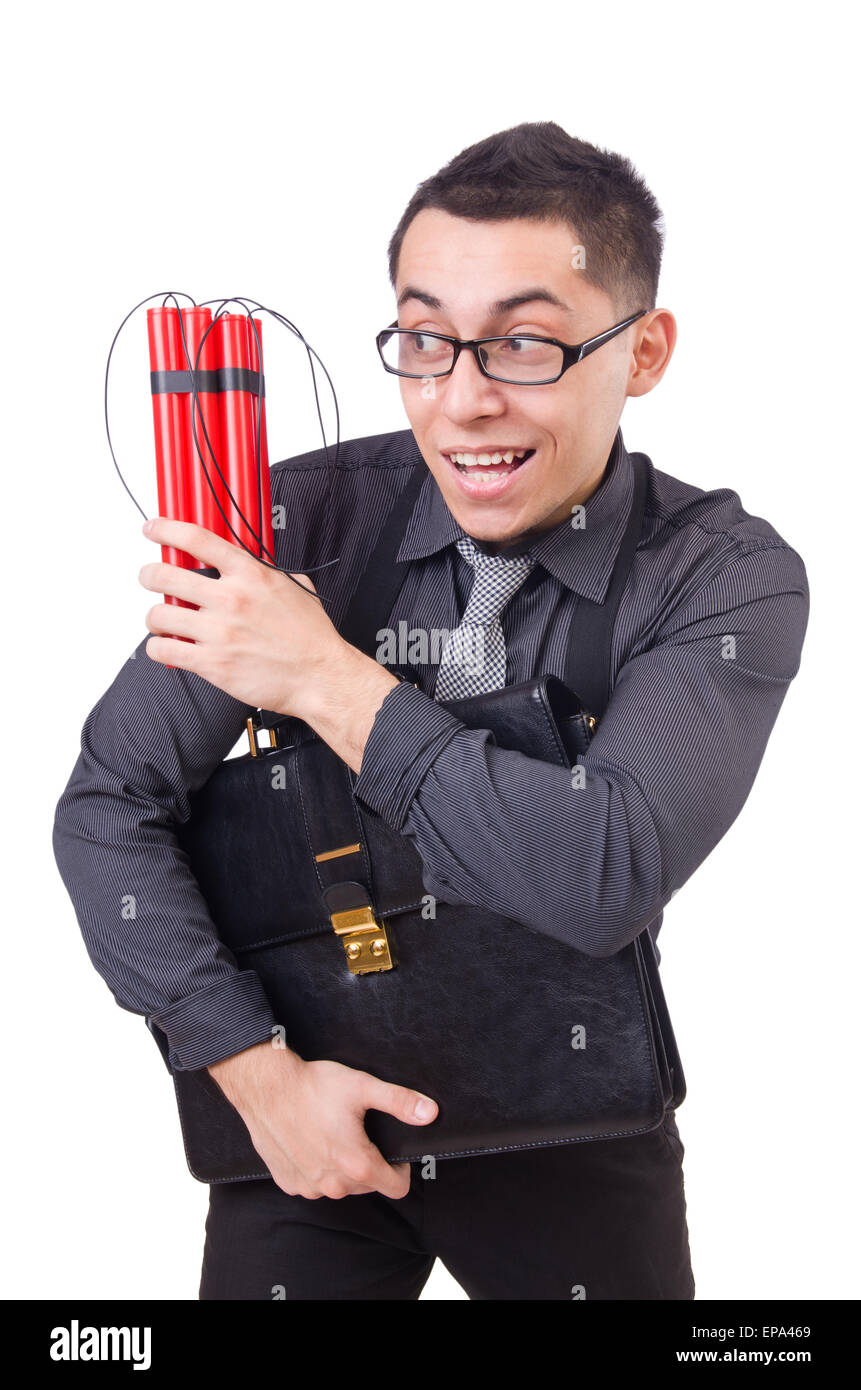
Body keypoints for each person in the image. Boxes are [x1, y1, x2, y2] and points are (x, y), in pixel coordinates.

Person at [52, 121, 810, 1300]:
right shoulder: (297, 523)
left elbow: (603, 873)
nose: (460, 403)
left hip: (572, 1115)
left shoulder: (722, 577)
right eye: (422, 340)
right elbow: (110, 808)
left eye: (524, 345)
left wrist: (323, 678)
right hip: (305, 1118)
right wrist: (254, 1075)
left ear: (644, 351)